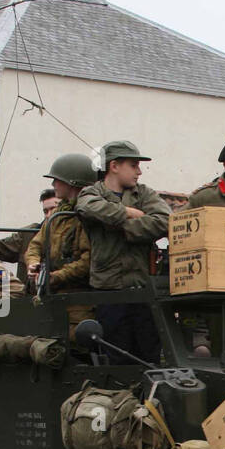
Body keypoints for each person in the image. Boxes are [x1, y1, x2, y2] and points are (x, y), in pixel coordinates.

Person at [77, 140, 172, 363]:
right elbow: (88, 207)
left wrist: (123, 228)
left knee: (148, 353)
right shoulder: (92, 192)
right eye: (133, 165)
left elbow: (165, 220)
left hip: (142, 286)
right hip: (109, 288)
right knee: (115, 354)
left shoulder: (144, 193)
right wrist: (129, 212)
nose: (139, 172)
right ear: (115, 166)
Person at [26, 153, 96, 335]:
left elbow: (88, 259)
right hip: (53, 294)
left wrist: (56, 276)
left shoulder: (85, 214)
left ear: (71, 182)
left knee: (76, 344)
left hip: (78, 298)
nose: (53, 185)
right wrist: (33, 263)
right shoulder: (58, 215)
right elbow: (35, 244)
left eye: (57, 180)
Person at [0, 189, 55, 266]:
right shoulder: (29, 233)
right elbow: (0, 248)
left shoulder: (70, 234)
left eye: (53, 209)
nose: (49, 214)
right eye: (46, 211)